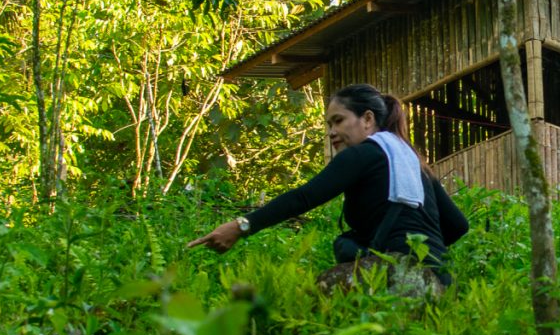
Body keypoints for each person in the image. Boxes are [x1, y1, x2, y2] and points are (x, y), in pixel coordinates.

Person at [189, 84, 469, 291]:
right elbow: (458, 226)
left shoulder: (362, 154)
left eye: (339, 121)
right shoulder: (415, 164)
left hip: (392, 277)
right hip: (439, 281)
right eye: (328, 124)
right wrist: (422, 246)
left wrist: (241, 226)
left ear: (368, 120)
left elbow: (305, 197)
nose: (331, 132)